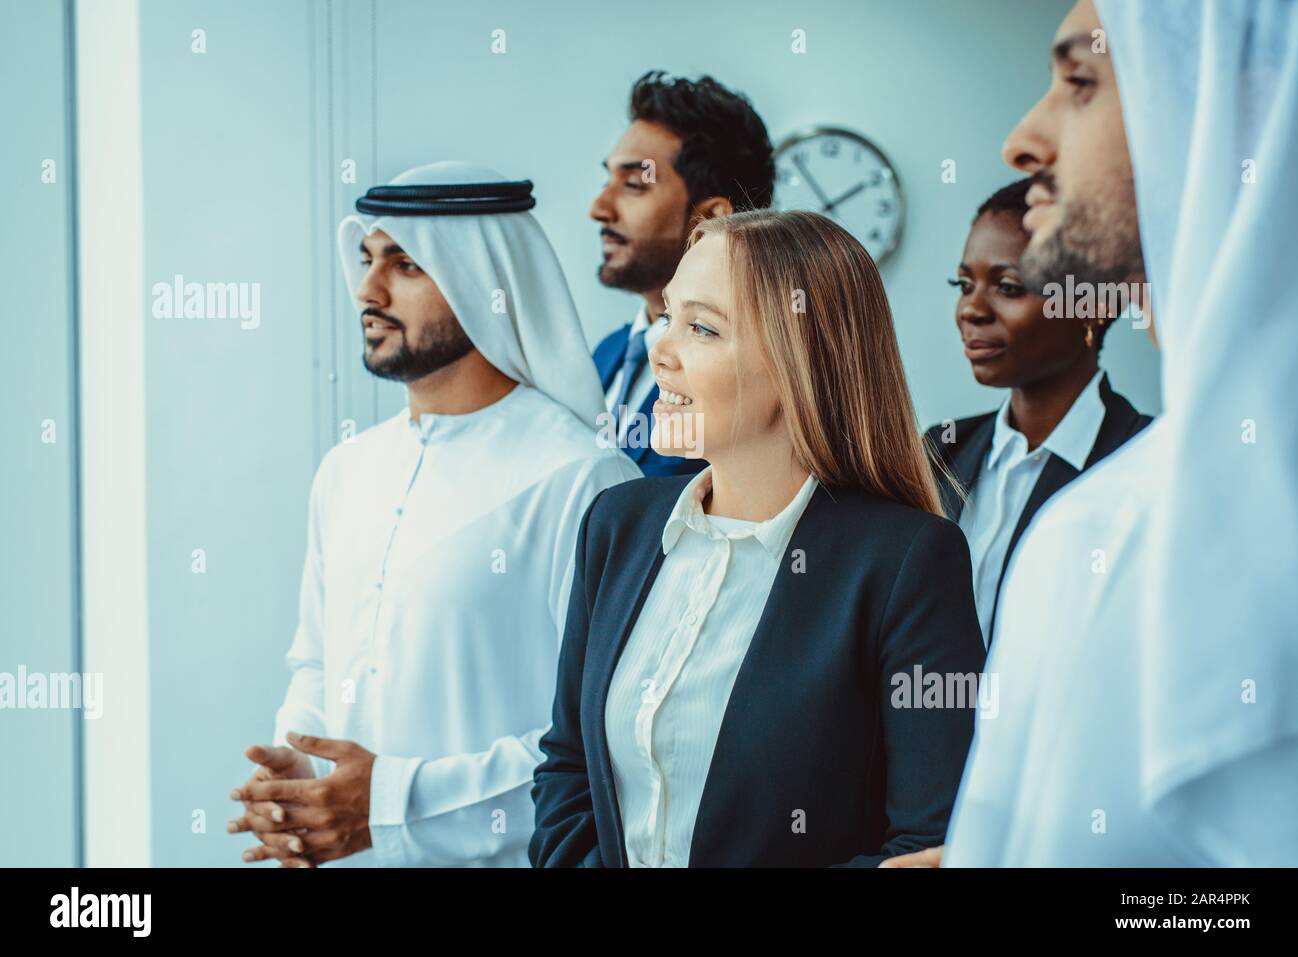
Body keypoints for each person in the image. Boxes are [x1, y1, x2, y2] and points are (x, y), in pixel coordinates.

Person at [891, 0, 1298, 868]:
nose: (1021, 141)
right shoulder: (947, 458)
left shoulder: (1112, 524)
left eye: (1080, 83)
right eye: (964, 283)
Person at [530, 209, 986, 868]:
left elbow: (930, 845)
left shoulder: (907, 562)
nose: (660, 350)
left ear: (800, 364)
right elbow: (568, 767)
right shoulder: (616, 525)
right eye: (668, 316)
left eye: (702, 328)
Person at [227, 162, 641, 867]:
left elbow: (604, 741)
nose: (368, 289)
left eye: (406, 264)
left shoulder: (583, 479)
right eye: (367, 259)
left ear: (486, 283)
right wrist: (303, 773)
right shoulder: (346, 471)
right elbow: (318, 661)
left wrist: (389, 804)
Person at [925, 178, 1150, 646]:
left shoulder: (1146, 465)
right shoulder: (940, 451)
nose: (971, 309)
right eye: (963, 284)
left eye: (1009, 287)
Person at [590, 70, 774, 476]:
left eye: (634, 184)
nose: (599, 208)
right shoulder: (604, 355)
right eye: (607, 180)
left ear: (710, 218)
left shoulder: (755, 375)